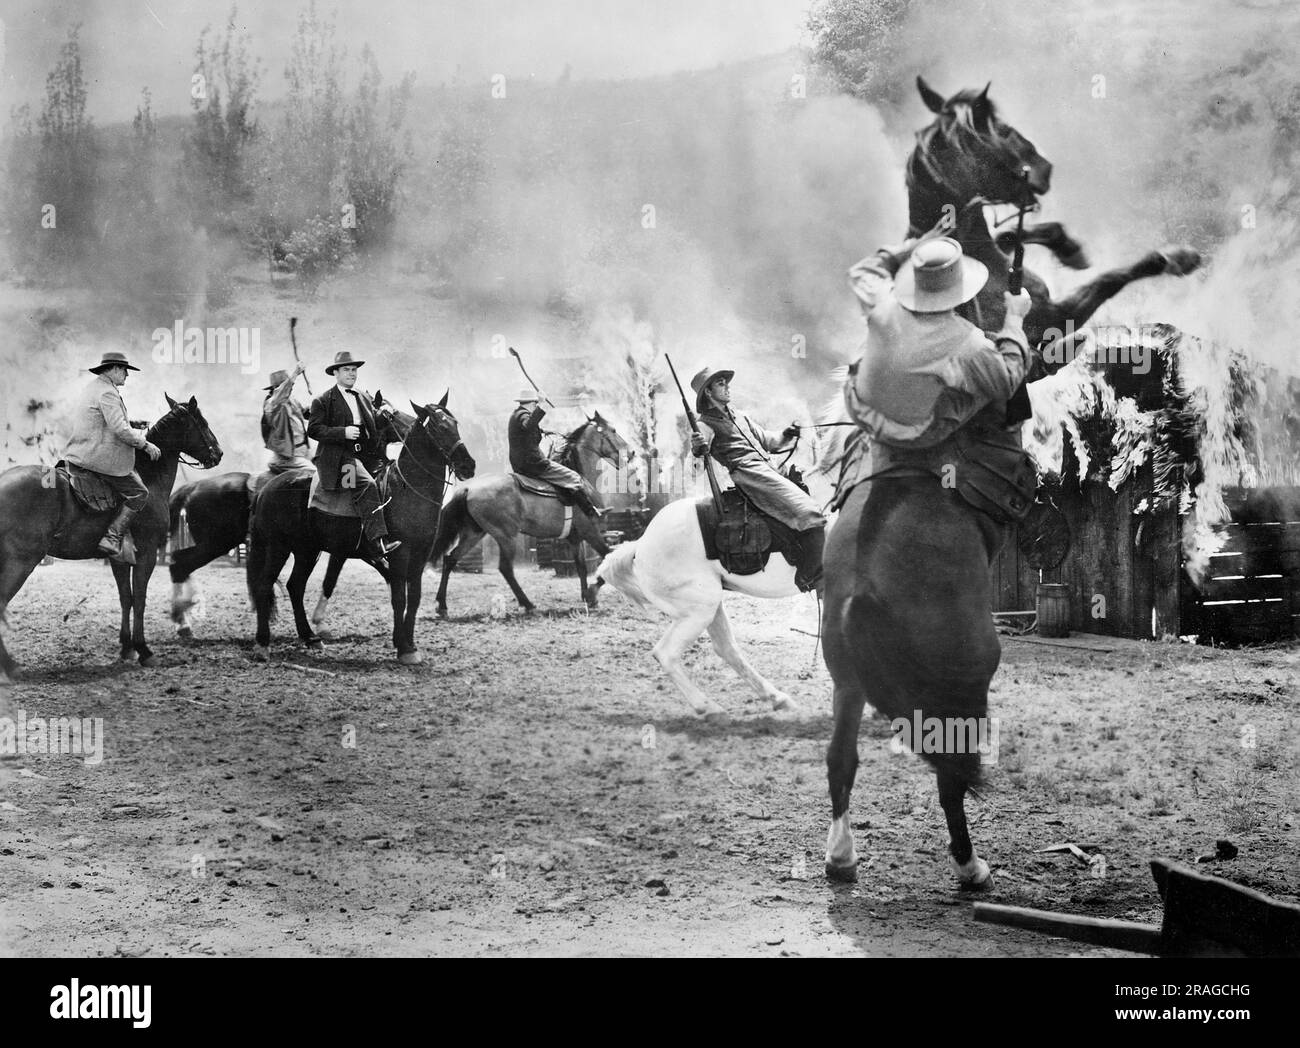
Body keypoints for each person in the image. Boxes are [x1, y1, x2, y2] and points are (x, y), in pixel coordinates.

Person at [841, 234, 1035, 523]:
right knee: (985, 384)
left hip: (860, 407)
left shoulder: (882, 302)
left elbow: (864, 271)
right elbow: (1006, 379)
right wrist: (1015, 319)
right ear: (960, 286)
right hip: (915, 434)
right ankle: (1042, 365)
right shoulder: (966, 343)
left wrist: (918, 242)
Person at [688, 367, 826, 593]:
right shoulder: (705, 425)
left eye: (726, 382)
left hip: (769, 468)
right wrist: (697, 450)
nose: (728, 386)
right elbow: (693, 470)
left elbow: (770, 442)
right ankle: (812, 577)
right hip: (751, 475)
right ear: (709, 393)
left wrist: (787, 433)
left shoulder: (740, 416)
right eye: (721, 383)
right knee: (809, 513)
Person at [63, 351, 162, 564]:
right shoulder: (108, 393)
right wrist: (145, 444)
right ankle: (112, 537)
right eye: (125, 370)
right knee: (140, 493)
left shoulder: (93, 387)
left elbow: (102, 420)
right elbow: (118, 428)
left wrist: (132, 423)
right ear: (115, 369)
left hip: (80, 452)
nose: (127, 375)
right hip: (97, 457)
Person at [307, 351, 401, 557]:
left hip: (365, 455)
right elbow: (313, 430)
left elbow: (373, 422)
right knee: (366, 484)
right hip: (339, 457)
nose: (351, 373)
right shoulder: (323, 400)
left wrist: (384, 412)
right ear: (336, 373)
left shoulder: (362, 396)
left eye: (353, 370)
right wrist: (343, 432)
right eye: (346, 370)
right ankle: (378, 542)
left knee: (390, 478)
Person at [508, 389, 603, 520]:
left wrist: (542, 430)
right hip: (533, 463)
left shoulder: (516, 415)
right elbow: (528, 425)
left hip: (520, 463)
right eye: (535, 404)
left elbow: (526, 431)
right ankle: (592, 515)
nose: (536, 407)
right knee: (574, 478)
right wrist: (542, 403)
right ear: (531, 404)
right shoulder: (523, 415)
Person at [261, 363, 314, 476]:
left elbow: (305, 413)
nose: (289, 389)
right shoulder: (272, 404)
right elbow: (282, 393)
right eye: (284, 386)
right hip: (287, 457)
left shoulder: (292, 400)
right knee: (315, 474)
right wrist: (295, 373)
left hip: (302, 452)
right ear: (276, 389)